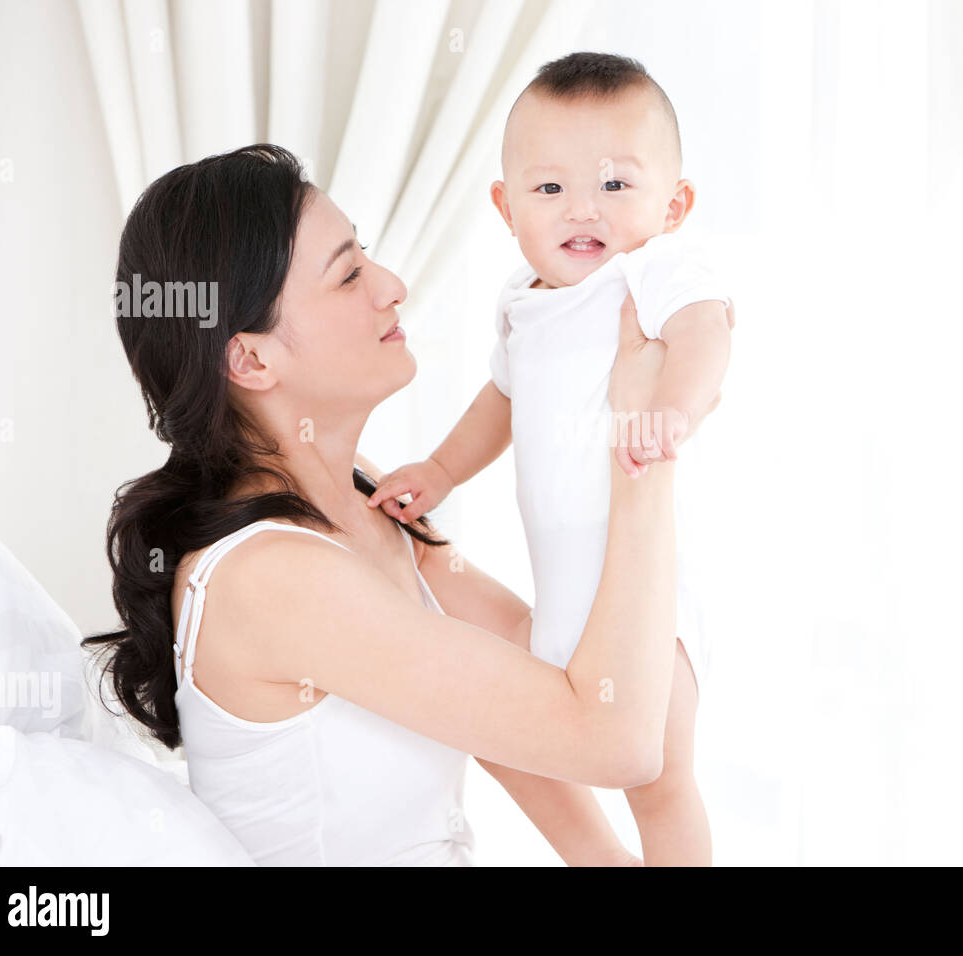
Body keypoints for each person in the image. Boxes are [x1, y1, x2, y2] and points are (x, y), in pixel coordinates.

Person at [83, 143, 726, 866]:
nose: (392, 286)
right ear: (252, 359)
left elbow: (512, 682)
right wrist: (643, 447)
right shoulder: (271, 577)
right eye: (349, 274)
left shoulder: (359, 488)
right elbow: (616, 741)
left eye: (368, 256)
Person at [368, 52, 732, 865]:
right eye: (549, 188)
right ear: (505, 205)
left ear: (674, 205)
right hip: (561, 595)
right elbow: (500, 401)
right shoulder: (521, 301)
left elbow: (709, 331)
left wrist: (672, 409)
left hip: (647, 601)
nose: (582, 211)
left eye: (614, 185)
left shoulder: (651, 273)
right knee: (530, 730)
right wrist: (439, 471)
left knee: (661, 780)